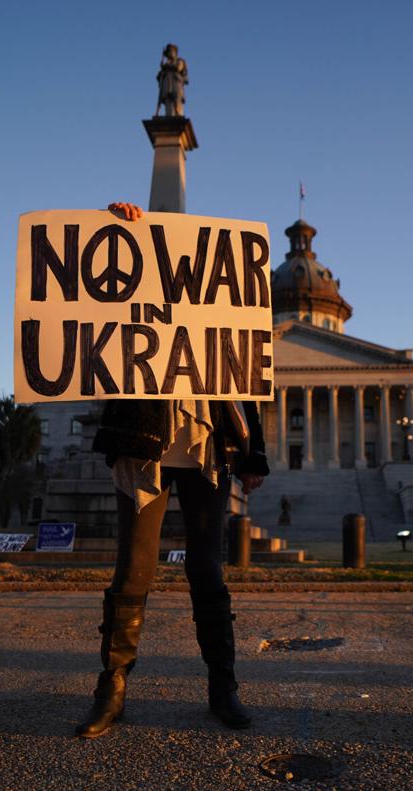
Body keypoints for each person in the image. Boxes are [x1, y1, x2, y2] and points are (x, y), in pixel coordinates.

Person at [75, 295, 270, 737]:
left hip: (208, 441)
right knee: (133, 569)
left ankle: (223, 687)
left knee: (206, 567)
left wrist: (253, 454)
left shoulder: (224, 305)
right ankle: (112, 687)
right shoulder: (137, 295)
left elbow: (247, 377)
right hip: (141, 436)